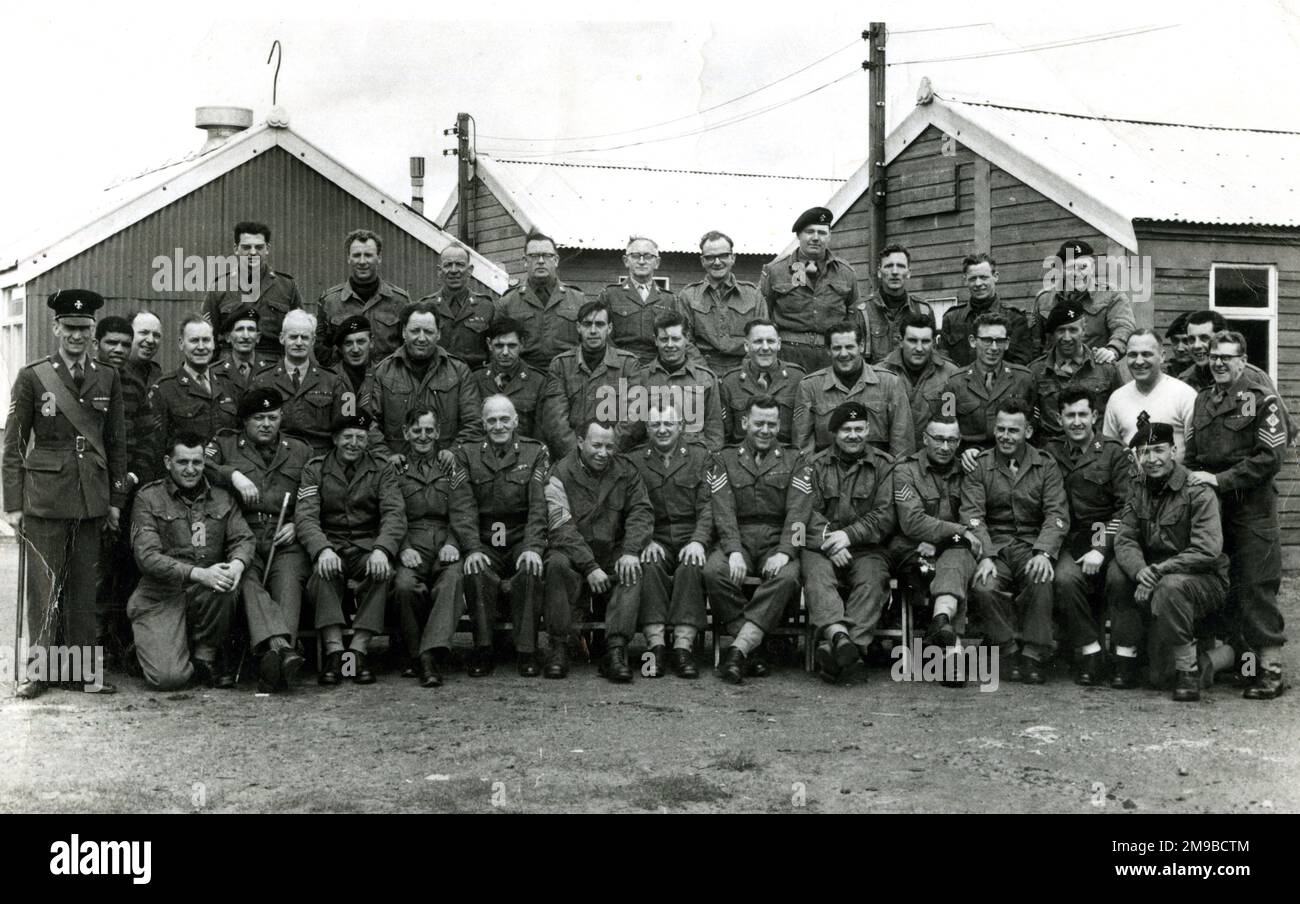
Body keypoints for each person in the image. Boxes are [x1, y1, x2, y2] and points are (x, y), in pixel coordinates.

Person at [4, 289, 127, 698]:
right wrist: (13, 505)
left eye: (84, 329)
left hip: (90, 495)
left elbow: (117, 444)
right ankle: (39, 672)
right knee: (44, 585)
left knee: (81, 590)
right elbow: (13, 444)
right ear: (56, 327)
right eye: (70, 328)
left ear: (93, 332)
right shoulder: (34, 376)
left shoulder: (107, 376)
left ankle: (79, 673)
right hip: (46, 497)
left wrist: (114, 501)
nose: (77, 336)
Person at [1184, 331, 1287, 700]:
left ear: (1243, 361)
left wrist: (1221, 479)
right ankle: (1244, 667)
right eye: (1214, 356)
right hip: (1214, 511)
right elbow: (1193, 457)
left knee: (1256, 587)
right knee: (1223, 588)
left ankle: (1271, 674)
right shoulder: (1202, 401)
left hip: (1252, 510)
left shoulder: (1261, 400)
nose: (1219, 363)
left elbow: (1270, 458)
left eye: (1227, 357)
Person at [1108, 419, 1228, 701]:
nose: (1152, 459)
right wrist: (1140, 571)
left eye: (1159, 450)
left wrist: (1158, 571)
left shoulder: (1197, 490)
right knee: (1117, 572)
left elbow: (1207, 550)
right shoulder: (1137, 487)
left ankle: (1197, 667)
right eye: (1144, 452)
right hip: (1154, 577)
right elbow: (1125, 538)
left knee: (1170, 587)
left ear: (1174, 451)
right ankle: (1127, 657)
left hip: (1201, 579)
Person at [204, 388, 313, 692]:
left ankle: (275, 654)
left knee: (288, 582)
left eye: (272, 417)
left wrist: (295, 524)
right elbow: (201, 464)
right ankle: (283, 651)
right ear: (244, 422)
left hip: (286, 538)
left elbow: (314, 494)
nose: (266, 424)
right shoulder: (226, 444)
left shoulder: (300, 450)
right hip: (243, 537)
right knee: (247, 579)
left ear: (281, 418)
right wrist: (233, 475)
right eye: (258, 418)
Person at [127, 432, 256, 690]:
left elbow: (244, 538)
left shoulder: (221, 497)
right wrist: (199, 573)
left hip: (204, 593)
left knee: (225, 582)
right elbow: (148, 558)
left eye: (197, 463)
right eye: (182, 462)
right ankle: (146, 648)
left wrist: (237, 564)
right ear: (167, 462)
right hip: (160, 595)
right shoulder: (147, 498)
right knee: (169, 679)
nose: (190, 470)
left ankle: (205, 657)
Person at [961, 399, 1069, 684]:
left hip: (1031, 544)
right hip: (995, 545)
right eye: (1001, 429)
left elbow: (1056, 513)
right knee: (984, 588)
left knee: (1041, 578)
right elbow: (972, 516)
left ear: (1028, 432)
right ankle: (1007, 650)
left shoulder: (1045, 465)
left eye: (1013, 431)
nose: (1006, 437)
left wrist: (1044, 552)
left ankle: (1034, 654)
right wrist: (984, 555)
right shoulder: (980, 465)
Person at [294, 413, 406, 686]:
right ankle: (334, 653)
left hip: (367, 545)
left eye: (360, 438)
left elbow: (394, 513)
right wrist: (321, 550)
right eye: (347, 437)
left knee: (382, 572)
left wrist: (382, 549)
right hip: (331, 543)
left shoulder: (382, 467)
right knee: (323, 575)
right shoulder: (315, 468)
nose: (354, 443)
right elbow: (306, 516)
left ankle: (358, 650)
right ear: (335, 439)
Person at [703, 396, 809, 684]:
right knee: (714, 572)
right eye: (759, 423)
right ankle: (754, 645)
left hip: (777, 538)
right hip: (738, 535)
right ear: (745, 423)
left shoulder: (795, 459)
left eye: (771, 424)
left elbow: (799, 514)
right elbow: (722, 511)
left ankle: (738, 649)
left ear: (779, 426)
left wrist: (786, 552)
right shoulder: (724, 459)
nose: (765, 430)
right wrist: (733, 550)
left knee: (787, 578)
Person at [542, 420, 654, 682]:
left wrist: (630, 550)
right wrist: (589, 566)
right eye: (596, 445)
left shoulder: (626, 470)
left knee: (632, 568)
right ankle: (559, 646)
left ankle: (615, 650)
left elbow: (641, 511)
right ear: (580, 442)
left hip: (612, 550)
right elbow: (560, 527)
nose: (603, 453)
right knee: (556, 565)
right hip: (573, 552)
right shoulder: (559, 473)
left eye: (609, 446)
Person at [797, 402, 896, 683]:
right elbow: (805, 511)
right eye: (845, 430)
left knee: (873, 579)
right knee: (816, 576)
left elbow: (885, 514)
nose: (853, 435)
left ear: (868, 430)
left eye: (859, 429)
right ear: (833, 434)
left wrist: (848, 537)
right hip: (822, 547)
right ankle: (843, 640)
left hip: (867, 548)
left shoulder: (884, 466)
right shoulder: (814, 465)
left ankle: (838, 646)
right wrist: (830, 539)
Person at [1044, 385, 1132, 685]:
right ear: (1060, 419)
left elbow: (1126, 508)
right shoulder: (1052, 452)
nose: (1077, 421)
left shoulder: (1114, 453)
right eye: (1070, 415)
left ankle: (1125, 657)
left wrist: (1101, 548)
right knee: (1065, 580)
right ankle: (1091, 652)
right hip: (1072, 539)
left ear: (1095, 415)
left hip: (1112, 539)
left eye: (1083, 414)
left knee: (1121, 580)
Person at [458, 395, 551, 678]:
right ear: (483, 424)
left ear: (515, 421)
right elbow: (463, 506)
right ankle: (483, 648)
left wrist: (534, 546)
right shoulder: (466, 453)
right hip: (485, 538)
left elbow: (539, 506)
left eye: (504, 420)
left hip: (520, 535)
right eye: (492, 421)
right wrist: (472, 548)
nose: (499, 426)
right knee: (476, 571)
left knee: (530, 569)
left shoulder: (536, 452)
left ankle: (527, 650)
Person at [392, 407, 477, 687]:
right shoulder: (395, 469)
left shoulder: (452, 465)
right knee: (405, 585)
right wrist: (403, 546)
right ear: (406, 433)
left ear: (438, 432)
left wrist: (454, 543)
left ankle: (426, 656)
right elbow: (388, 513)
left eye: (429, 430)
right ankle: (420, 654)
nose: (423, 436)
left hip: (445, 540)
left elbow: (464, 510)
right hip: (411, 540)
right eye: (416, 430)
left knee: (452, 579)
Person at [891, 415, 980, 680]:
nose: (945, 447)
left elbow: (973, 513)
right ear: (925, 439)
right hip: (912, 548)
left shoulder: (967, 468)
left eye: (952, 440)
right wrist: (958, 531)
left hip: (950, 547)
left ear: (959, 442)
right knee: (952, 562)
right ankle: (950, 651)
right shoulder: (905, 471)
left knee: (957, 558)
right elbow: (912, 521)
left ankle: (943, 633)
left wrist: (942, 537)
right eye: (939, 439)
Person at [627, 404, 712, 679]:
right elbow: (633, 508)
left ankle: (683, 647)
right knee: (650, 565)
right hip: (656, 536)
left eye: (668, 424)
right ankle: (656, 646)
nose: (662, 430)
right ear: (647, 429)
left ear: (681, 427)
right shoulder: (635, 461)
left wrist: (699, 540)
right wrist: (645, 540)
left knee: (691, 566)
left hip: (691, 535)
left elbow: (709, 506)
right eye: (655, 425)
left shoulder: (701, 457)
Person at [368, 300, 483, 469]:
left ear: (438, 334)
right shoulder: (382, 372)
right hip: (397, 470)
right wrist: (386, 456)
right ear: (404, 332)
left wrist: (454, 452)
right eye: (415, 331)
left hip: (445, 469)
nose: (421, 338)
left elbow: (474, 422)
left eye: (428, 332)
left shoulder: (459, 371)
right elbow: (368, 421)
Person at [793, 320, 914, 457]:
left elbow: (902, 444)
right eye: (837, 348)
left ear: (861, 346)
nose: (844, 354)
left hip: (878, 474)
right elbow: (802, 447)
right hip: (826, 473)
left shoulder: (890, 383)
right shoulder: (810, 387)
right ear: (828, 350)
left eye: (849, 347)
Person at [760, 207, 860, 372]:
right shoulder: (776, 271)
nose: (815, 238)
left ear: (829, 236)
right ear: (798, 235)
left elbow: (854, 319)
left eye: (821, 232)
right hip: (787, 355)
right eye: (809, 232)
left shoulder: (845, 273)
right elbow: (763, 317)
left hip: (832, 356)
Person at [539, 298, 641, 459]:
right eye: (587, 324)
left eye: (600, 324)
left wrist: (606, 452)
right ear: (578, 327)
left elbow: (634, 417)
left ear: (609, 328)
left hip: (615, 457)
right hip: (571, 458)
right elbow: (556, 421)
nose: (593, 330)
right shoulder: (560, 365)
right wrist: (579, 457)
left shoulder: (628, 364)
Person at [937, 313, 1038, 467]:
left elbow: (1033, 428)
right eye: (987, 340)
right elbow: (945, 427)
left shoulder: (1024, 379)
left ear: (1008, 343)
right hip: (971, 462)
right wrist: (963, 452)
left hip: (1014, 462)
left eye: (1000, 341)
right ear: (972, 341)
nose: (994, 347)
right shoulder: (954, 383)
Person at [1180, 310, 1296, 443]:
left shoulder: (1253, 377)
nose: (1196, 346)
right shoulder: (1184, 380)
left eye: (1204, 338)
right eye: (1191, 339)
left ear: (1221, 338)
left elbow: (1285, 432)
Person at [620, 312, 724, 451]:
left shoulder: (705, 379)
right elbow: (632, 429)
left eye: (675, 339)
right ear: (655, 340)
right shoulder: (642, 378)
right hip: (652, 458)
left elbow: (714, 432)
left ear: (686, 339)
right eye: (664, 339)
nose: (670, 345)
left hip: (693, 456)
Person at [250, 310, 348, 454]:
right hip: (276, 457)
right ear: (282, 338)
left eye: (305, 337)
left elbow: (347, 424)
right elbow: (251, 428)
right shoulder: (263, 381)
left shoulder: (333, 381)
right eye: (293, 337)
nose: (299, 343)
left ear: (313, 341)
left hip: (319, 459)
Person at [202, 221, 303, 358]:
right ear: (236, 248)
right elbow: (207, 336)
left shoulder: (286, 287)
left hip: (274, 365)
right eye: (246, 247)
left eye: (259, 247)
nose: (253, 252)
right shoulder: (219, 288)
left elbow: (300, 333)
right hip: (231, 365)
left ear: (267, 248)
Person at [1028, 302, 1124, 445]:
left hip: (1095, 454)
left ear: (1083, 330)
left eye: (1073, 330)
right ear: (1053, 334)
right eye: (1061, 330)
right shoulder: (1036, 372)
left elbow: (1121, 413)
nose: (1067, 338)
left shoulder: (1105, 369)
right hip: (1052, 456)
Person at [1029, 239, 1135, 364]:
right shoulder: (1044, 299)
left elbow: (1123, 326)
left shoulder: (1111, 295)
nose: (1077, 274)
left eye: (1083, 267)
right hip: (1054, 372)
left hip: (1094, 368)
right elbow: (1035, 341)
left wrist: (1112, 350)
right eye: (1070, 268)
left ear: (1093, 268)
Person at [315, 229, 411, 366]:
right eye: (356, 255)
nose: (362, 261)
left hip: (387, 383)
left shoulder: (400, 301)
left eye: (368, 255)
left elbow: (408, 349)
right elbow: (321, 349)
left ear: (379, 258)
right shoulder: (330, 301)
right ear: (348, 258)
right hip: (344, 384)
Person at [494, 231, 586, 371]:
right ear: (525, 261)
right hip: (524, 378)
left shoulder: (578, 299)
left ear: (556, 260)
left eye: (547, 255)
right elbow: (496, 348)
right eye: (534, 256)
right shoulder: (508, 302)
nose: (541, 261)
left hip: (567, 374)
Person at [678, 230, 768, 374]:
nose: (717, 262)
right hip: (702, 369)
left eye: (723, 256)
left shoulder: (753, 295)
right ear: (702, 261)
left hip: (745, 369)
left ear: (733, 258)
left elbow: (762, 336)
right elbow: (685, 340)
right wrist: (704, 372)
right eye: (710, 257)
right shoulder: (688, 296)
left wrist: (745, 369)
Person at [1102, 329, 1197, 460]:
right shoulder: (1117, 398)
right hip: (1129, 479)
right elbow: (1109, 452)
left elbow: (1195, 452)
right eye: (1133, 355)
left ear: (1162, 356)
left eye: (1146, 354)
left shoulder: (1185, 395)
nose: (1139, 361)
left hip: (1175, 479)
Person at [149, 315, 240, 445]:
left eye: (206, 340)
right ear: (181, 344)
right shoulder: (165, 389)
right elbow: (157, 443)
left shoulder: (228, 385)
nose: (201, 347)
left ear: (214, 343)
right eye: (194, 340)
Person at [877, 310, 960, 447]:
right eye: (912, 341)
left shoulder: (950, 374)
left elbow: (954, 423)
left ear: (933, 342)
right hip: (892, 460)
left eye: (925, 341)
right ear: (900, 341)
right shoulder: (880, 374)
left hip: (933, 459)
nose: (919, 348)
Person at [597, 236, 686, 362]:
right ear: (626, 260)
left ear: (657, 262)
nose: (642, 261)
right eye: (635, 256)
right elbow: (599, 332)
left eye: (648, 256)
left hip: (658, 365)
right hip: (620, 363)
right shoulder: (610, 295)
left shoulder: (669, 299)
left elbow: (679, 336)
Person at [938, 253, 1037, 366]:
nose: (978, 283)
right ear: (965, 280)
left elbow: (1020, 364)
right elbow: (944, 362)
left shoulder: (1014, 318)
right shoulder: (951, 318)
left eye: (983, 277)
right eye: (973, 278)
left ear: (995, 276)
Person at [718, 319, 804, 446]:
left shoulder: (797, 378)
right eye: (758, 341)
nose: (765, 347)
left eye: (770, 341)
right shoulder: (730, 382)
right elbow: (725, 437)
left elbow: (802, 433)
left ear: (779, 344)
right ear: (746, 346)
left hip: (786, 459)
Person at [852, 244, 934, 365]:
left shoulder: (923, 311)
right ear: (879, 272)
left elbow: (931, 356)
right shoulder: (861, 311)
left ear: (909, 272)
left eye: (900, 266)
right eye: (889, 266)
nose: (895, 272)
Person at [420, 242, 497, 369]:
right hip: (436, 378)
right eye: (448, 265)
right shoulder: (426, 306)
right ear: (440, 271)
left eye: (460, 264)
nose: (454, 270)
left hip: (474, 380)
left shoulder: (486, 307)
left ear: (470, 270)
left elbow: (495, 349)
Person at [469, 318, 545, 441]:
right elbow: (473, 426)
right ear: (489, 344)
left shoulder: (538, 381)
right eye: (499, 346)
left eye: (511, 346)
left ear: (522, 344)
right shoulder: (476, 379)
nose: (505, 352)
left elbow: (541, 432)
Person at [210, 305, 277, 397]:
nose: (246, 336)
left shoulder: (273, 370)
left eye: (251, 329)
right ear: (228, 337)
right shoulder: (214, 372)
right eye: (239, 329)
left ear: (258, 338)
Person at [327, 314, 377, 411]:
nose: (355, 349)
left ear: (371, 342)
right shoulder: (329, 378)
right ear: (340, 348)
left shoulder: (382, 376)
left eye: (361, 342)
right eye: (348, 343)